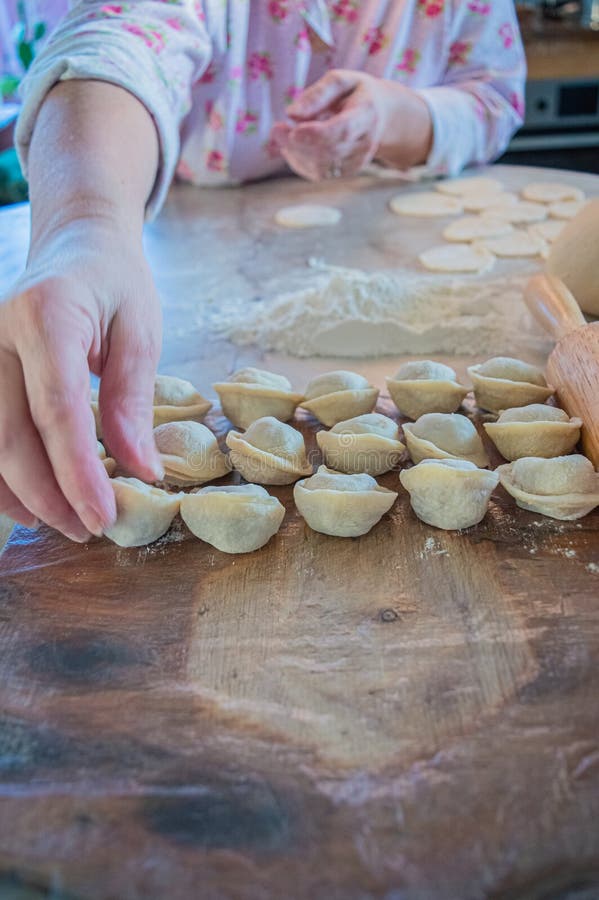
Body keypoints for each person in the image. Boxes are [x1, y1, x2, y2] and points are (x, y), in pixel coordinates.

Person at [0, 0, 526, 542]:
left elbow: (493, 99)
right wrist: (87, 225)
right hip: (189, 251)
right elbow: (117, 39)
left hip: (403, 246)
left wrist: (399, 116)